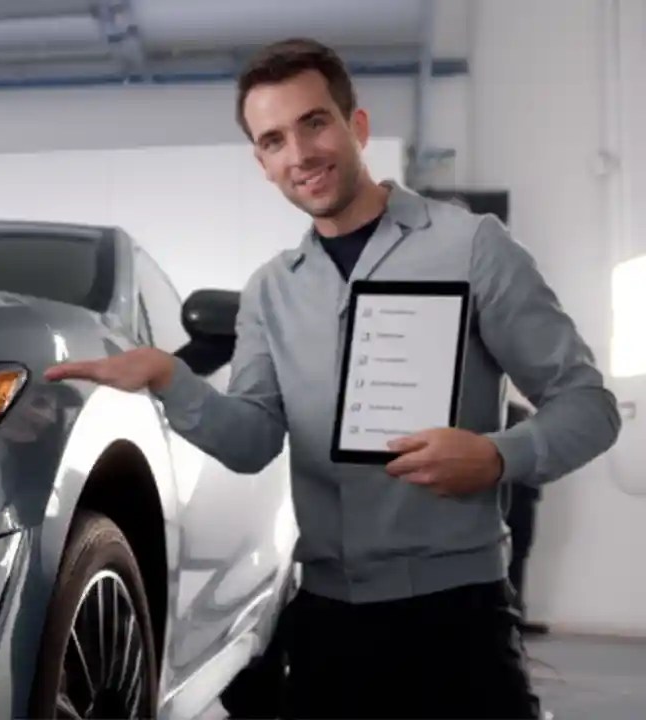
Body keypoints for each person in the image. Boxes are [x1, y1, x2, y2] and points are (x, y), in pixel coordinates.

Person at [44, 37, 621, 719]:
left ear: (357, 125)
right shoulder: (270, 292)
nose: (300, 154)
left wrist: (499, 455)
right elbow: (253, 438)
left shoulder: (472, 248)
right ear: (262, 162)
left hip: (457, 616)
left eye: (314, 123)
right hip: (329, 620)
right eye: (274, 139)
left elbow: (590, 407)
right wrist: (171, 380)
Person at [503, 397, 550, 635]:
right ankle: (504, 615)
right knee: (502, 556)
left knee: (519, 554)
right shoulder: (498, 412)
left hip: (524, 496)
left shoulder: (523, 414)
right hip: (501, 496)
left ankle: (515, 614)